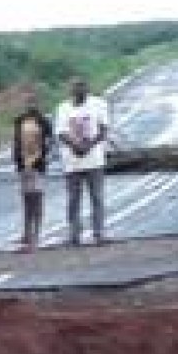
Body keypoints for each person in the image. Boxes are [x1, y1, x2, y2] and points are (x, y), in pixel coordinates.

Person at [55, 77, 113, 245]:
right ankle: (74, 235)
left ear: (87, 89)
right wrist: (75, 145)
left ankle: (99, 233)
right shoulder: (63, 108)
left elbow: (103, 130)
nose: (78, 90)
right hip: (72, 161)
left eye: (81, 87)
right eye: (75, 87)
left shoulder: (98, 104)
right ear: (70, 90)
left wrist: (89, 145)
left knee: (97, 197)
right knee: (73, 199)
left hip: (94, 159)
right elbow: (61, 132)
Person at [8, 91, 52, 251]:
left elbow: (48, 143)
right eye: (28, 102)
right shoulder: (19, 121)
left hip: (38, 164)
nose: (30, 105)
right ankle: (26, 232)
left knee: (37, 198)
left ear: (38, 104)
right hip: (23, 165)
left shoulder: (44, 122)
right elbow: (16, 143)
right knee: (26, 199)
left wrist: (40, 158)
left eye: (33, 102)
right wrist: (19, 164)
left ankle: (37, 233)